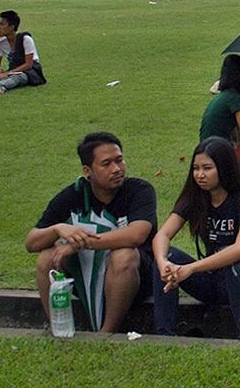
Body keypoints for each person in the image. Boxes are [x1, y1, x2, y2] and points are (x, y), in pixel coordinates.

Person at [26, 132, 157, 333]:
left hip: (136, 276)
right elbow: (31, 243)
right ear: (88, 171)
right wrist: (57, 229)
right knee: (45, 258)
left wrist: (78, 243)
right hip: (85, 273)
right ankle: (58, 329)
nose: (116, 169)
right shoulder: (75, 194)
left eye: (119, 160)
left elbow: (136, 235)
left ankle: (106, 333)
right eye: (106, 164)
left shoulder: (139, 190)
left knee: (123, 255)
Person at [152, 137, 240, 341]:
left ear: (224, 168)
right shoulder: (193, 198)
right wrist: (164, 264)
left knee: (237, 262)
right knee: (166, 256)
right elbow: (162, 235)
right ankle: (163, 336)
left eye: (207, 168)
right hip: (213, 280)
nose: (200, 175)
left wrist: (192, 268)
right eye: (196, 168)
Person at [201, 55, 240, 169]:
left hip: (206, 155)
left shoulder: (224, 96)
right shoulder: (234, 99)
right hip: (220, 159)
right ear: (237, 74)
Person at [0, 9, 46, 94]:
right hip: (13, 70)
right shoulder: (3, 43)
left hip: (29, 71)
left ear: (11, 27)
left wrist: (6, 74)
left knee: (18, 77)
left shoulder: (25, 39)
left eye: (2, 24)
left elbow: (28, 64)